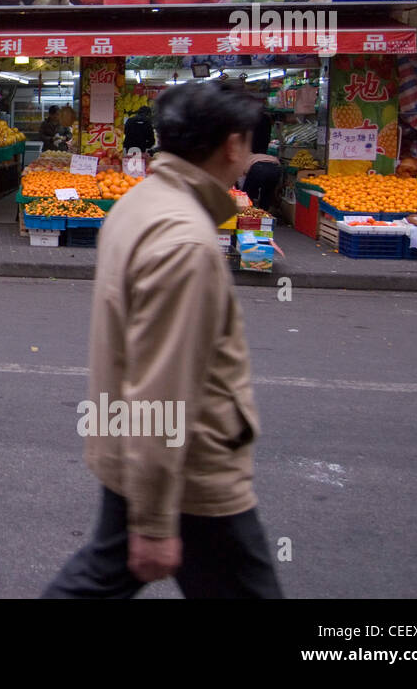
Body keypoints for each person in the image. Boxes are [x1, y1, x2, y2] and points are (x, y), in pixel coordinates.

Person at [44, 80, 281, 599]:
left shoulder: (139, 203)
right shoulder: (185, 241)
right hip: (192, 469)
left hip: (130, 447)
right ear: (233, 145)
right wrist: (154, 519)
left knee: (95, 579)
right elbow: (161, 386)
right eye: (248, 142)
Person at [240, 110, 282, 211]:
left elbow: (241, 180)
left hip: (257, 168)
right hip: (275, 169)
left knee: (248, 195)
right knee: (266, 196)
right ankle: (264, 214)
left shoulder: (244, 157)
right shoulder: (265, 120)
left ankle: (247, 214)